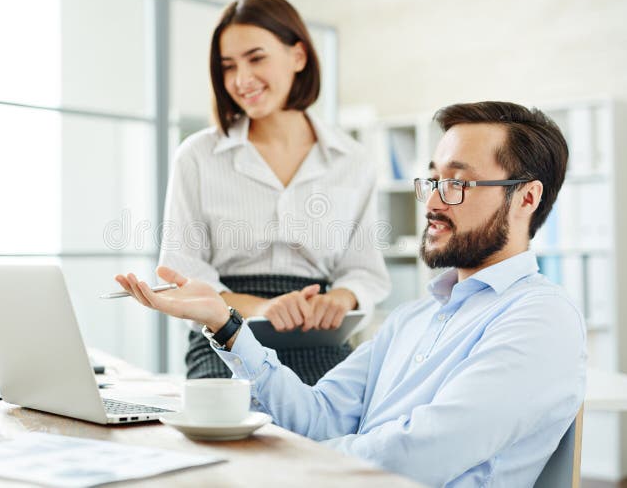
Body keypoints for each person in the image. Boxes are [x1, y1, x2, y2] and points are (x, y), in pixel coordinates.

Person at [117, 101, 587, 487]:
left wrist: (285, 465)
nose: (435, 202)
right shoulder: (415, 319)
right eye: (434, 180)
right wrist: (227, 323)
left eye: (459, 183)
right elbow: (317, 416)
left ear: (526, 198)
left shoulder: (540, 318)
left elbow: (418, 456)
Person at [156, 0, 390, 384]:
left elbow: (364, 270)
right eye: (228, 66)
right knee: (235, 423)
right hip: (226, 328)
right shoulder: (198, 156)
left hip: (317, 332)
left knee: (339, 426)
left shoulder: (353, 160)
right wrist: (264, 308)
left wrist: (339, 299)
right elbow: (182, 267)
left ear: (298, 56)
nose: (241, 80)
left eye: (256, 58)